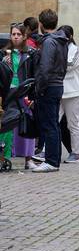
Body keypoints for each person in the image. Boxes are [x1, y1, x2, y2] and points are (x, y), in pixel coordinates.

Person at [30, 9, 70, 173]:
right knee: (54, 124)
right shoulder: (62, 40)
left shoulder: (49, 42)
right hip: (58, 84)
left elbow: (45, 68)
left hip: (48, 86)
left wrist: (38, 88)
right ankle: (53, 160)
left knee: (49, 124)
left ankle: (52, 161)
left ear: (40, 24)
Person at [1, 25, 38, 170]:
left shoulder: (30, 53)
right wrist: (4, 64)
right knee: (7, 124)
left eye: (18, 34)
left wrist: (32, 96)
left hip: (23, 91)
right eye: (13, 34)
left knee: (25, 123)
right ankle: (5, 156)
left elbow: (34, 75)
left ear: (24, 36)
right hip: (8, 92)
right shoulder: (4, 53)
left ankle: (28, 158)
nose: (15, 37)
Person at [59, 25, 79, 164]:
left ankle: (76, 153)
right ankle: (45, 150)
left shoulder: (76, 50)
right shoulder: (58, 48)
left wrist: (55, 63)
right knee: (53, 121)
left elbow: (70, 64)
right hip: (59, 90)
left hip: (73, 91)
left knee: (73, 124)